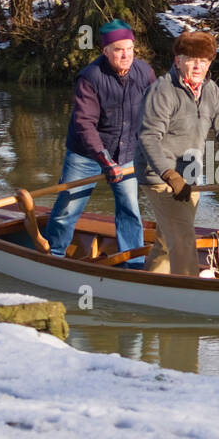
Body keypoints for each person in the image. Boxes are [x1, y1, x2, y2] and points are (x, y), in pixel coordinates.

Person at [136, 31, 219, 275]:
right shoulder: (162, 91)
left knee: (167, 240)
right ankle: (189, 292)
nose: (197, 66)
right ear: (177, 60)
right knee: (183, 239)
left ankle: (149, 287)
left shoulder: (211, 91)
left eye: (203, 61)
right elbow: (148, 137)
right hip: (159, 178)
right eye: (191, 59)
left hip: (190, 178)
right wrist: (169, 174)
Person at [41, 19, 156, 267]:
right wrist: (105, 160)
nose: (125, 55)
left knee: (130, 209)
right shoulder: (90, 78)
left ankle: (134, 262)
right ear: (105, 51)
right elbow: (84, 124)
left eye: (129, 48)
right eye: (118, 49)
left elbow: (156, 113)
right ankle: (53, 256)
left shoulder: (145, 73)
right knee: (68, 208)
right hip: (86, 156)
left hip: (126, 154)